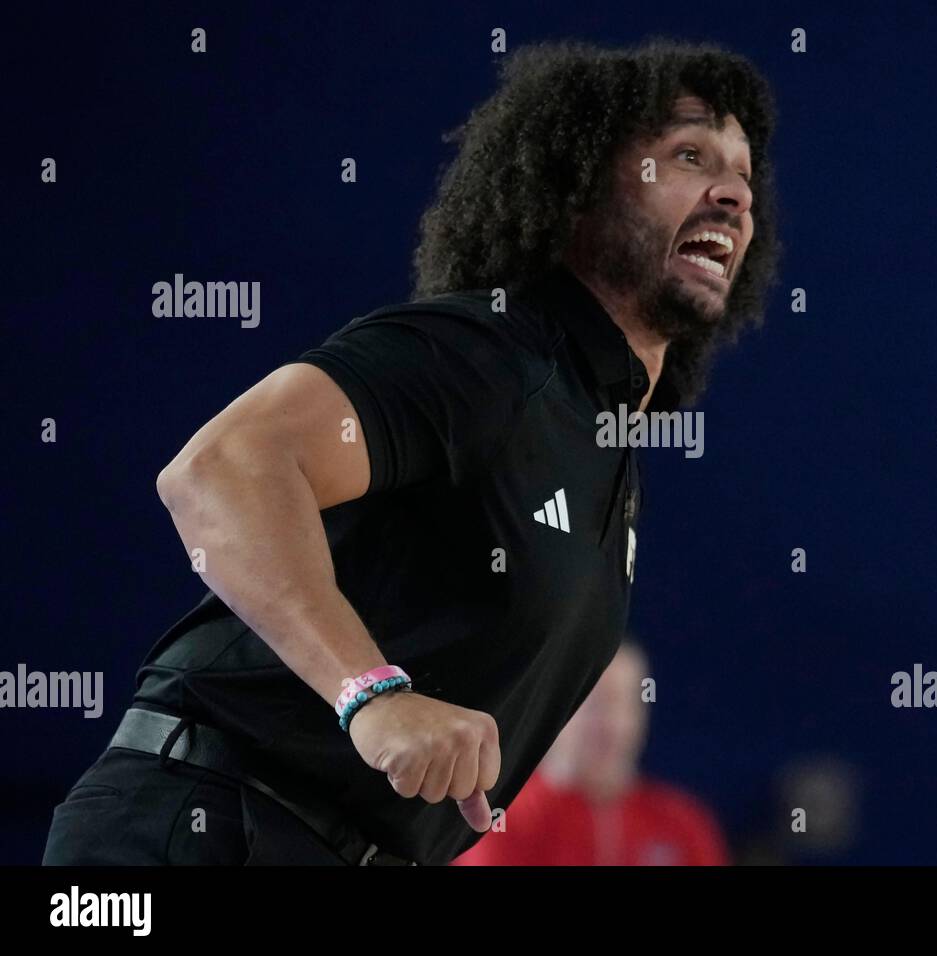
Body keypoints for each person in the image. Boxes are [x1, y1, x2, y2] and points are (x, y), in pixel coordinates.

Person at [42, 39, 778, 866]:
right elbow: (222, 466)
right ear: (578, 186)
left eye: (745, 176)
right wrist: (371, 693)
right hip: (201, 822)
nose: (733, 195)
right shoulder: (489, 354)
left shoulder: (605, 453)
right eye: (689, 155)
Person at [452, 640, 729, 865]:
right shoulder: (506, 819)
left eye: (624, 705)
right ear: (557, 710)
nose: (612, 726)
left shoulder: (683, 824)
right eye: (595, 705)